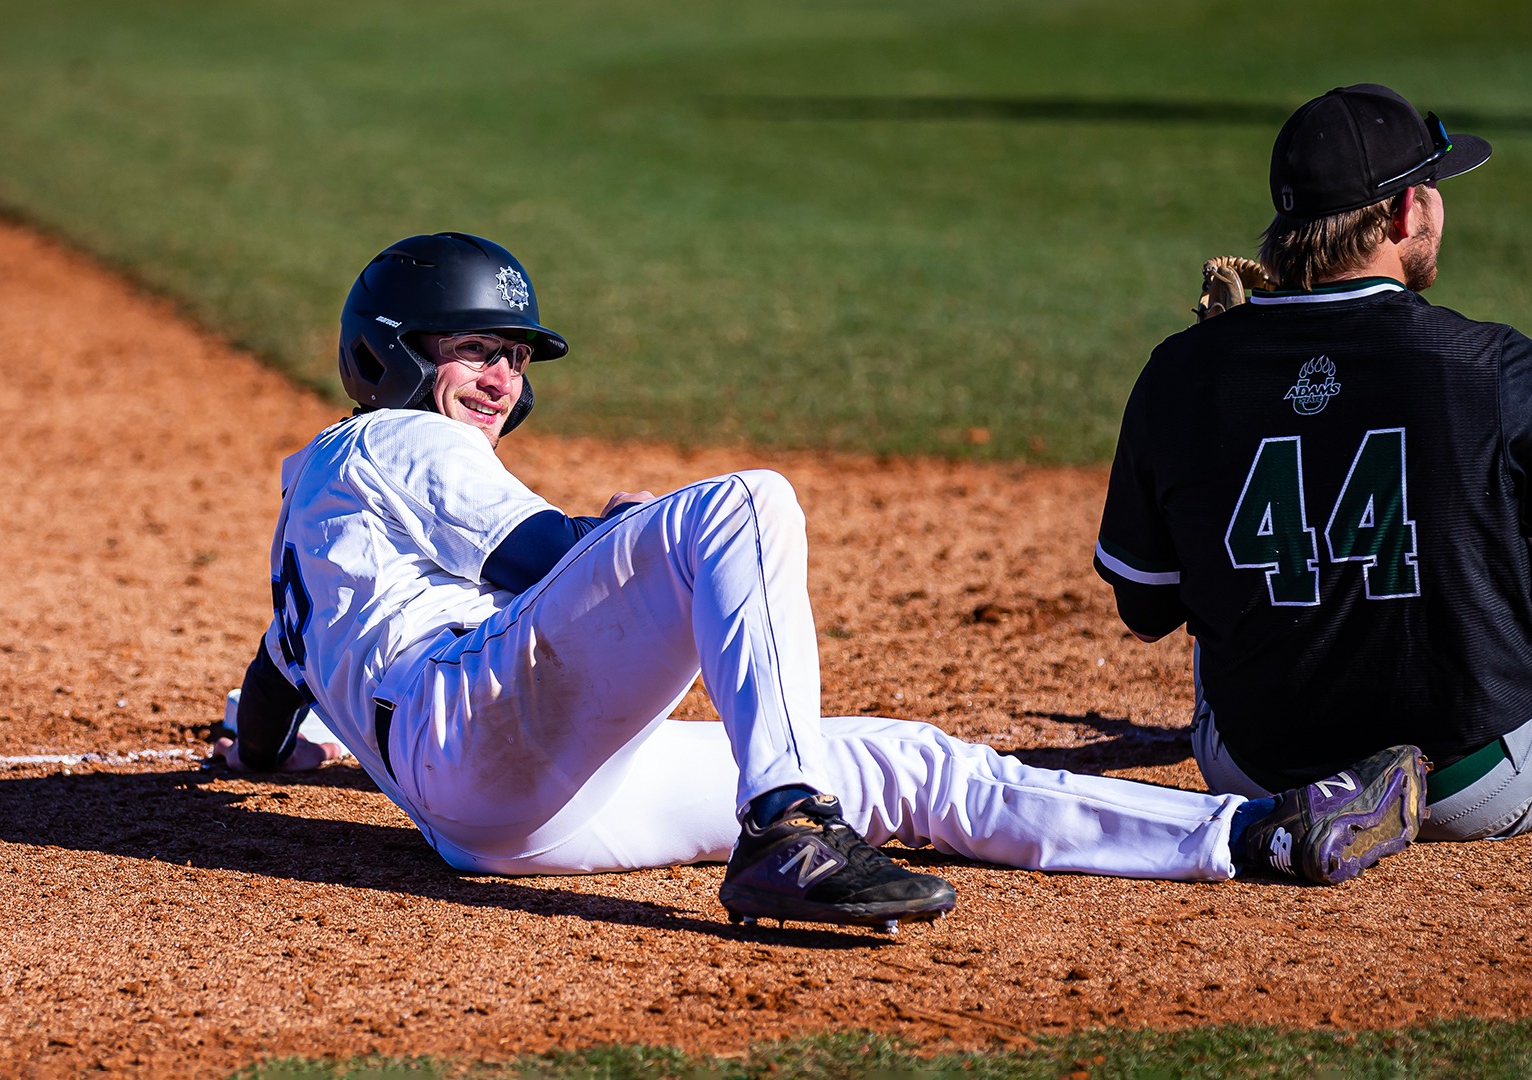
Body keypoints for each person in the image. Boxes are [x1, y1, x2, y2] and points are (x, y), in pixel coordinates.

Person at [218, 231, 1426, 934]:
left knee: (904, 763)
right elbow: (541, 557)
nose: (498, 378)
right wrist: (630, 533)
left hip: (502, 819)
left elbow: (275, 675)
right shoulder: (386, 439)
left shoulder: (316, 525)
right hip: (476, 734)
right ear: (388, 352)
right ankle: (789, 829)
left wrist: (266, 752)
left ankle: (1261, 837)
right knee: (745, 504)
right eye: (472, 348)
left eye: (513, 356)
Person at [1095, 84, 1532, 842]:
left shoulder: (1178, 374)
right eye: (1434, 188)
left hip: (1258, 773)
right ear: (1400, 214)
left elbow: (1147, 609)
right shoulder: (1498, 366)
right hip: (1475, 780)